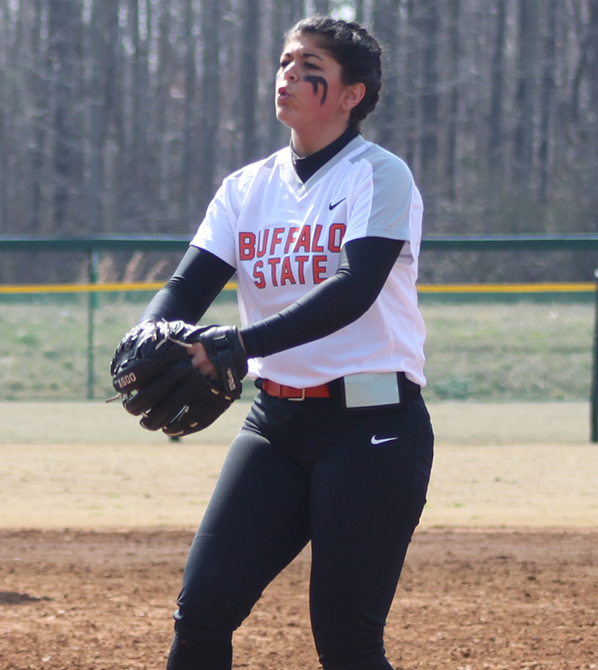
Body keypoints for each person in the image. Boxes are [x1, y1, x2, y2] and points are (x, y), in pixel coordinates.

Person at [133, 17, 433, 670]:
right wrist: (147, 334)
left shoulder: (378, 175)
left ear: (351, 94)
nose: (288, 75)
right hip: (275, 423)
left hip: (373, 426)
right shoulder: (248, 188)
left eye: (309, 66)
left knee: (347, 641)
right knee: (202, 609)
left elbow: (354, 289)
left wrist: (239, 344)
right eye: (285, 63)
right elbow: (187, 287)